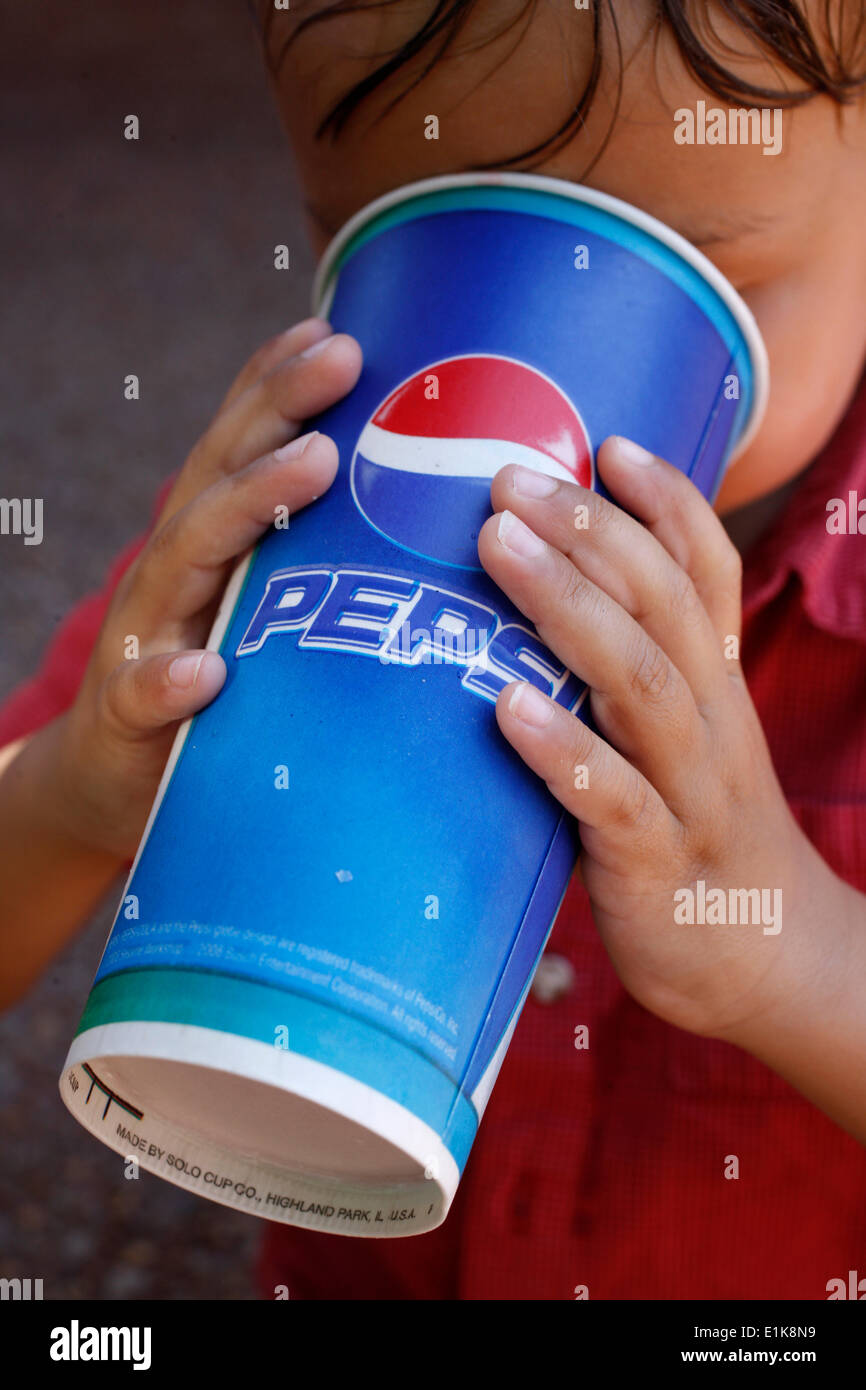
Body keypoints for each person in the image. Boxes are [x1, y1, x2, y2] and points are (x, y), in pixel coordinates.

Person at [2, 0, 865, 1298]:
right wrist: (73, 788)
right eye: (428, 228)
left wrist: (780, 946)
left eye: (702, 267)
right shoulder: (273, 531)